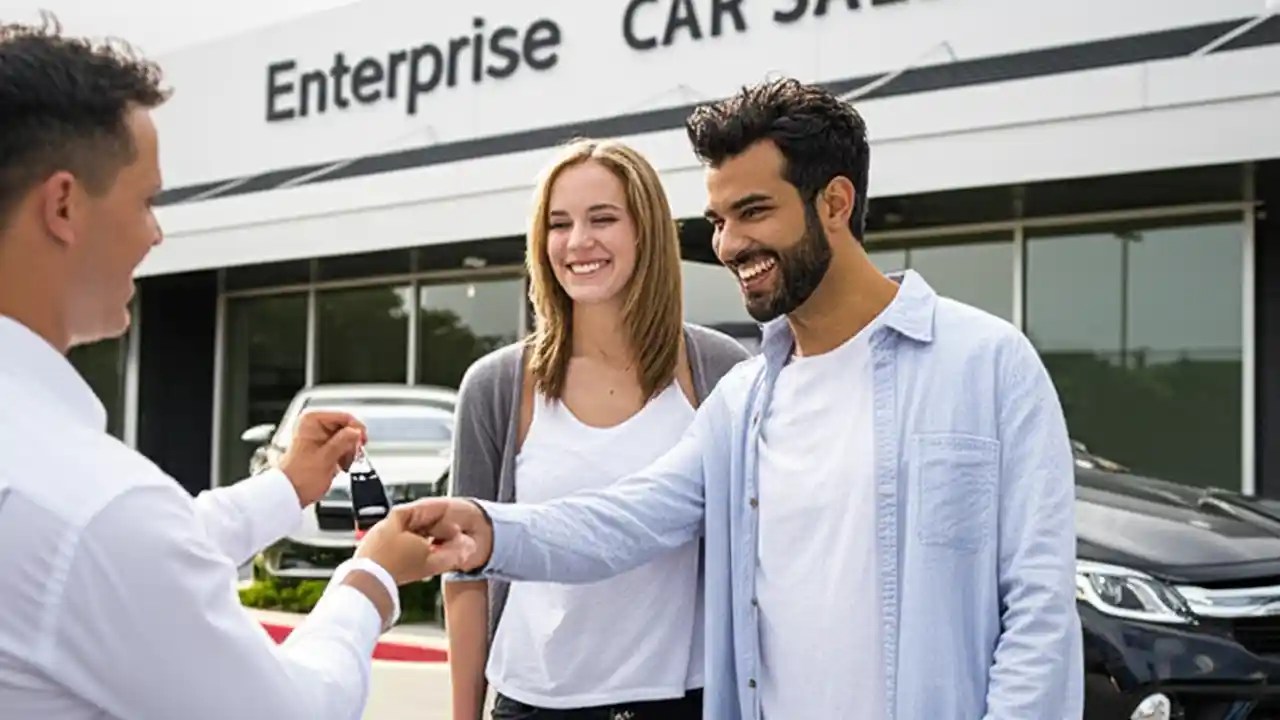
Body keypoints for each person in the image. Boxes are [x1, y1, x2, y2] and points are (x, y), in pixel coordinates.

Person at [412, 78, 1085, 720]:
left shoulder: (986, 363)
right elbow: (625, 521)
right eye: (719, 219)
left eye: (754, 211)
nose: (730, 243)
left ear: (834, 203)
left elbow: (1039, 614)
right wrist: (490, 528)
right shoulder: (741, 400)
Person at [0, 18, 470, 720]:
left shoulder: (72, 502)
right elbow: (293, 710)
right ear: (64, 205)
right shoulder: (94, 507)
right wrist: (372, 577)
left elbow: (133, 561)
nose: (155, 233)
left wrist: (285, 488)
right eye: (147, 200)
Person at [443, 138, 751, 720]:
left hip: (681, 702)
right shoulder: (497, 386)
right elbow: (465, 575)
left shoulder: (718, 370)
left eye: (602, 219)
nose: (578, 241)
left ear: (646, 232)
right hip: (534, 703)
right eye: (559, 224)